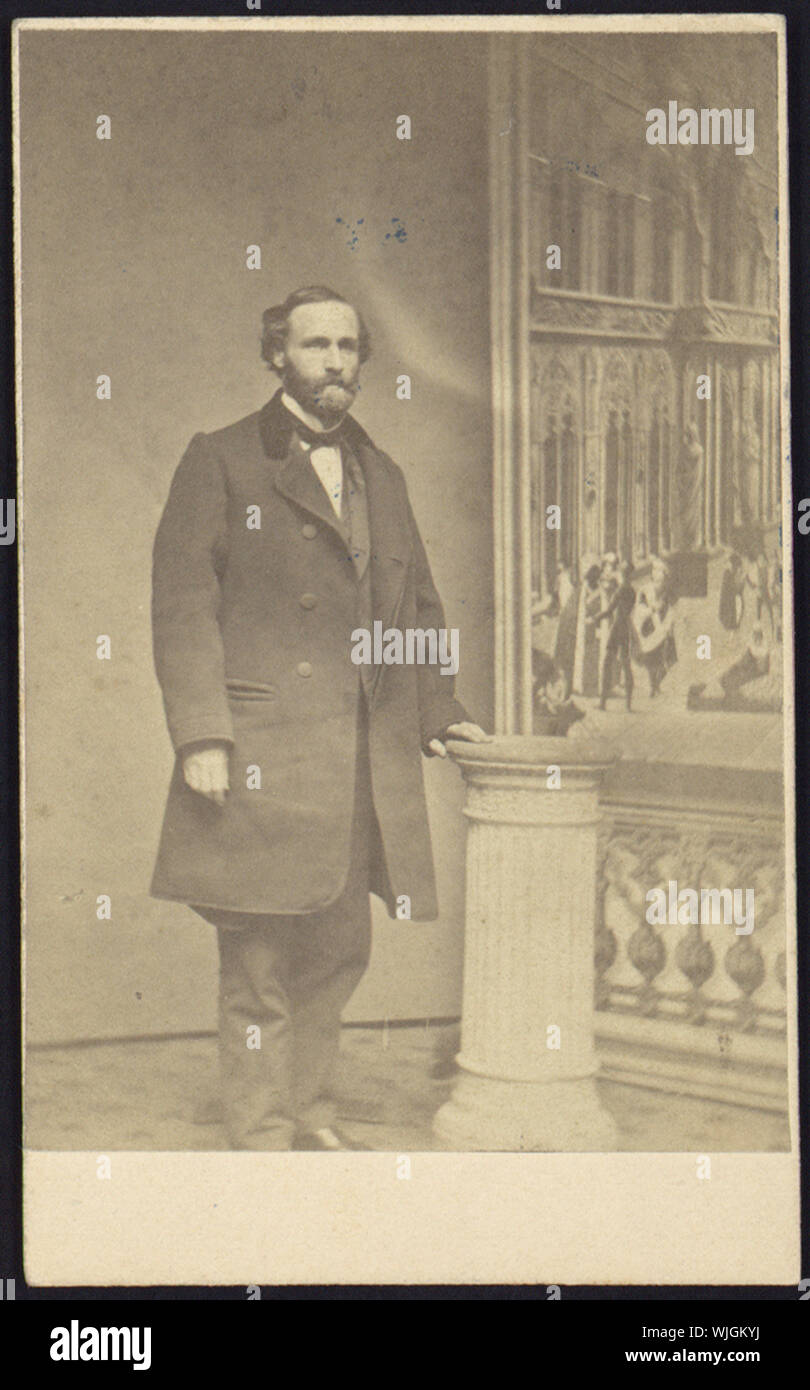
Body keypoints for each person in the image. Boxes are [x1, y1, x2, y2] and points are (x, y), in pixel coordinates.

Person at [150, 285, 489, 1151]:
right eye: (314, 346)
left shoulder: (385, 473)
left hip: (362, 759)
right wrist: (203, 736)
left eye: (348, 346)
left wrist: (439, 709)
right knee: (260, 958)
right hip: (262, 750)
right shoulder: (220, 458)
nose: (335, 362)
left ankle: (313, 1114)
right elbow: (184, 605)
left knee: (340, 953)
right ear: (277, 357)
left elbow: (415, 606)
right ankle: (262, 1128)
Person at [589, 560, 636, 711]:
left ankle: (603, 703)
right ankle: (628, 705)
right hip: (626, 628)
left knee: (606, 664)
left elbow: (609, 611)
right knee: (626, 665)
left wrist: (594, 618)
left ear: (622, 573)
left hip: (616, 628)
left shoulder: (620, 590)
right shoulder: (632, 591)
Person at [633, 556, 677, 698]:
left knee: (669, 660)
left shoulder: (668, 591)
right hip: (649, 629)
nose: (658, 575)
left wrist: (670, 626)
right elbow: (638, 608)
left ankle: (657, 683)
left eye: (661, 572)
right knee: (652, 660)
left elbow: (672, 609)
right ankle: (654, 687)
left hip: (664, 629)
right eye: (656, 571)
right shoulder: (644, 590)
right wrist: (651, 610)